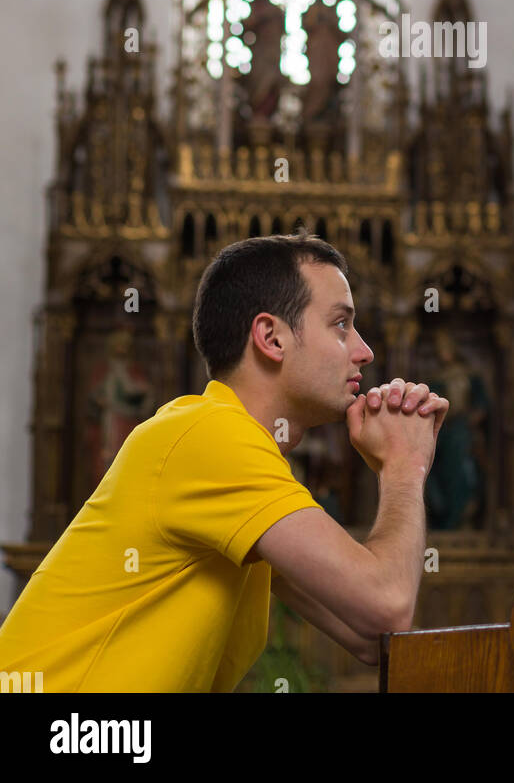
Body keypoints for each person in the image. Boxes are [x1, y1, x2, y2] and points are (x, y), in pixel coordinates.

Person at [0, 231, 448, 692]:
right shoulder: (212, 436)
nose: (364, 350)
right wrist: (403, 466)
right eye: (340, 324)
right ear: (271, 337)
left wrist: (398, 464)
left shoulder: (237, 455)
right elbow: (387, 603)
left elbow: (370, 637)